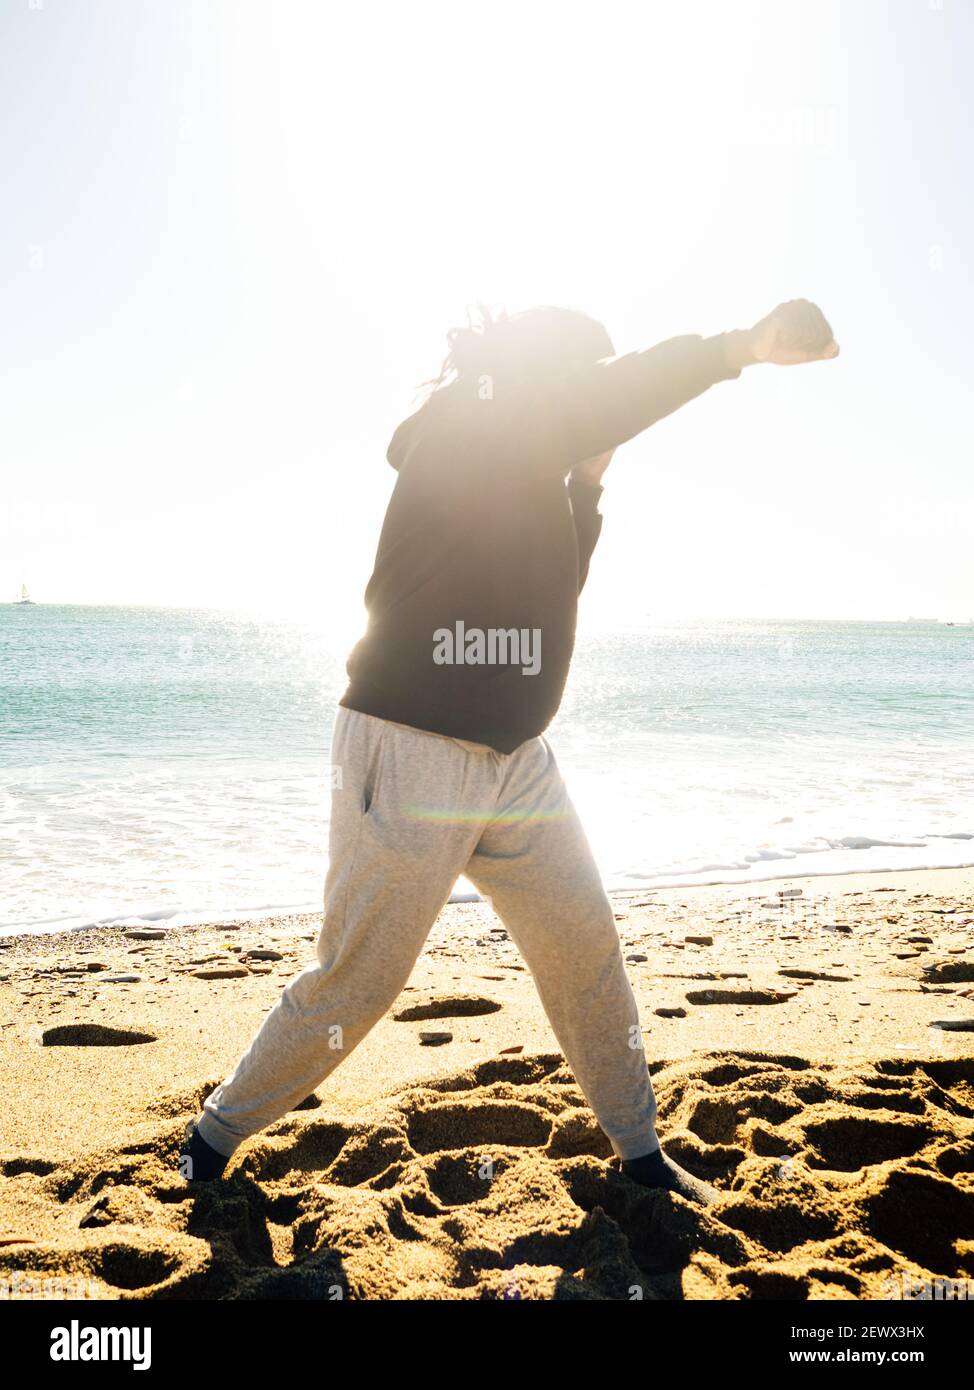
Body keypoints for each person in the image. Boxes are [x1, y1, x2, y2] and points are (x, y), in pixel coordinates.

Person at [182, 298, 839, 1201]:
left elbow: (551, 594)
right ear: (547, 375)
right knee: (357, 982)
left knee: (583, 949)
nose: (597, 403)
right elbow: (627, 390)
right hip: (411, 748)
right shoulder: (472, 423)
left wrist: (586, 492)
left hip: (517, 761)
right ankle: (213, 1138)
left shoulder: (533, 459)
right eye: (589, 384)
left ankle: (639, 1156)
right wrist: (740, 349)